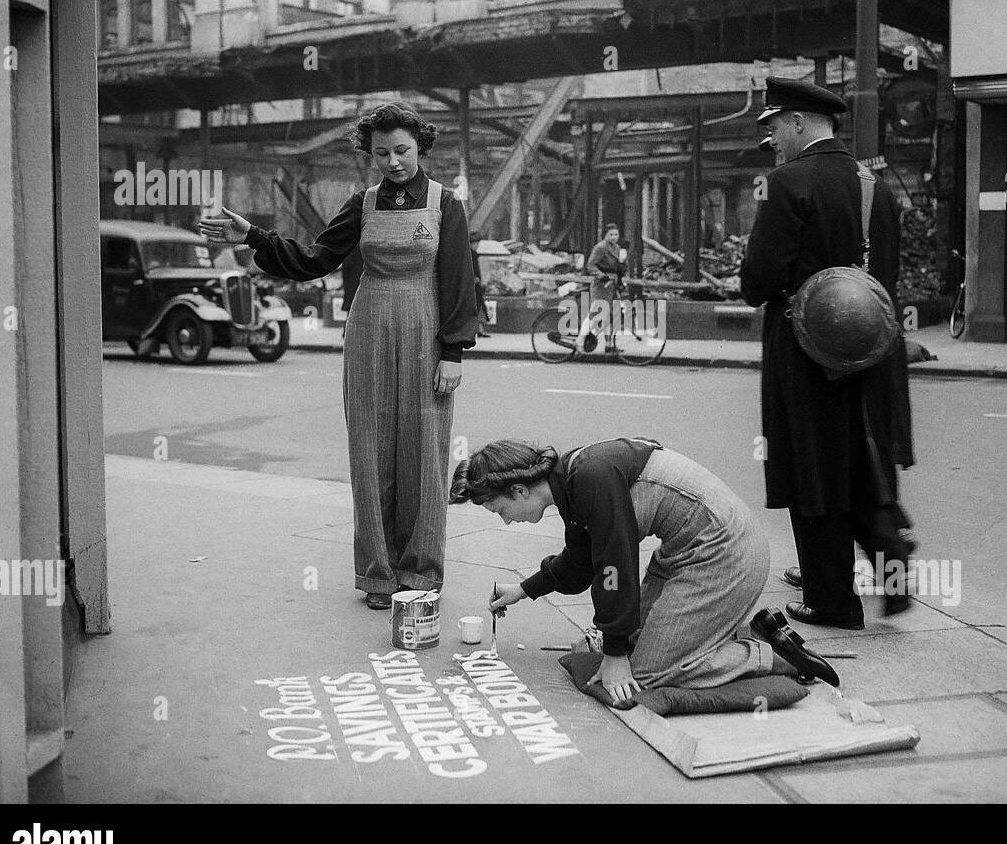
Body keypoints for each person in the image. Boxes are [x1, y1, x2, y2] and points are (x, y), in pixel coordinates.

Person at [198, 103, 477, 610]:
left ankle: (421, 571)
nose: (392, 162)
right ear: (370, 155)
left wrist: (452, 353)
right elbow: (313, 260)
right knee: (370, 449)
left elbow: (459, 281)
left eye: (402, 151)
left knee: (425, 451)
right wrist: (253, 237)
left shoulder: (446, 205)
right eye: (381, 153)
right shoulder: (362, 204)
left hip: (427, 331)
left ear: (420, 148)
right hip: (368, 329)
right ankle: (378, 575)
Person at [450, 438, 837, 701]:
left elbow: (613, 566)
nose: (504, 521)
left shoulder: (589, 478)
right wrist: (525, 588)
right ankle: (744, 627)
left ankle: (771, 655)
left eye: (499, 510)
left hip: (726, 555)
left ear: (518, 491)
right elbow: (582, 563)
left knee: (646, 673)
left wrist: (615, 654)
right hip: (689, 555)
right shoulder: (574, 476)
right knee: (634, 644)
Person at [739, 77, 915, 631]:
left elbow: (757, 281)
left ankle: (832, 602)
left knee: (811, 469)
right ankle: (891, 560)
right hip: (872, 348)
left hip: (806, 351)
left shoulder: (787, 184)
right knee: (863, 459)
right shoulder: (874, 185)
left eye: (774, 130)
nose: (773, 143)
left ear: (797, 121)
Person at [578, 224, 625, 353]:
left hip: (612, 285)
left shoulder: (617, 248)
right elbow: (591, 265)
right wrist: (601, 275)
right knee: (595, 314)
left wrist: (620, 279)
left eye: (616, 234)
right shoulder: (600, 247)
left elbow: (617, 267)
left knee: (610, 316)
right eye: (611, 234)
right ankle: (580, 341)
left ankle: (609, 345)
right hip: (601, 285)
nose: (614, 237)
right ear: (605, 234)